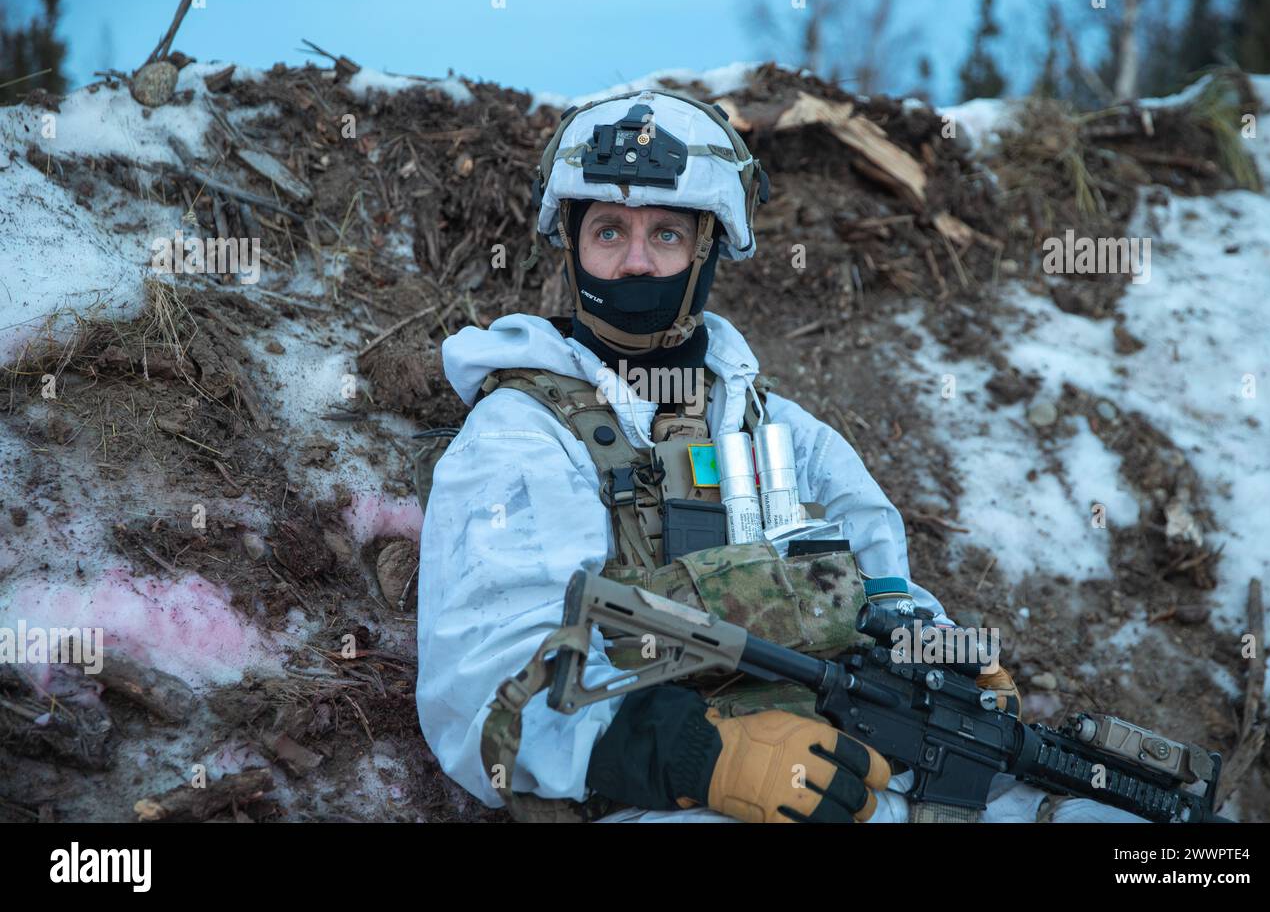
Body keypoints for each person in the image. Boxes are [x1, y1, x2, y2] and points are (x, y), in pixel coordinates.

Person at [414, 89, 1144, 824]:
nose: (634, 262)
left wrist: (938, 652)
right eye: (608, 231)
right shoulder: (520, 436)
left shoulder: (782, 431)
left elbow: (883, 592)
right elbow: (486, 697)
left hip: (853, 768)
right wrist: (706, 758)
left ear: (707, 250)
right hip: (667, 802)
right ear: (572, 244)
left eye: (665, 235)